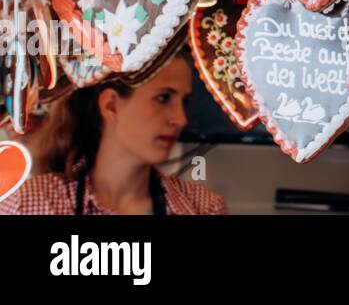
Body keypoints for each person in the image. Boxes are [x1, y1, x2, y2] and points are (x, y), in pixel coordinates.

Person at [0, 53, 226, 215]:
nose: (181, 119)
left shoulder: (204, 208)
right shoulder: (26, 204)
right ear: (111, 106)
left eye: (184, 101)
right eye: (163, 98)